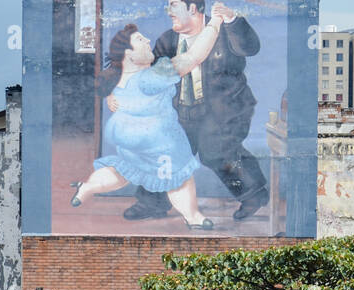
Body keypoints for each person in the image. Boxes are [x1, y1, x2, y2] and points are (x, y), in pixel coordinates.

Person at [70, 12, 228, 230]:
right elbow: (193, 57)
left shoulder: (116, 79)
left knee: (123, 171)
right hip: (158, 142)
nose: (147, 41)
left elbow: (108, 89)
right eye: (139, 40)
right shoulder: (151, 77)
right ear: (130, 55)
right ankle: (193, 216)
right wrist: (215, 23)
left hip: (129, 142)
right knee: (179, 176)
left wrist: (110, 96)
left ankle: (87, 187)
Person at [116, 1, 269, 223]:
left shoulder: (225, 31)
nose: (169, 12)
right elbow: (151, 72)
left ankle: (254, 195)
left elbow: (251, 47)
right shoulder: (168, 40)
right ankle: (152, 202)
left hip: (224, 108)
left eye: (174, 5)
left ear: (193, 9)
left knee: (215, 151)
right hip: (182, 109)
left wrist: (232, 20)